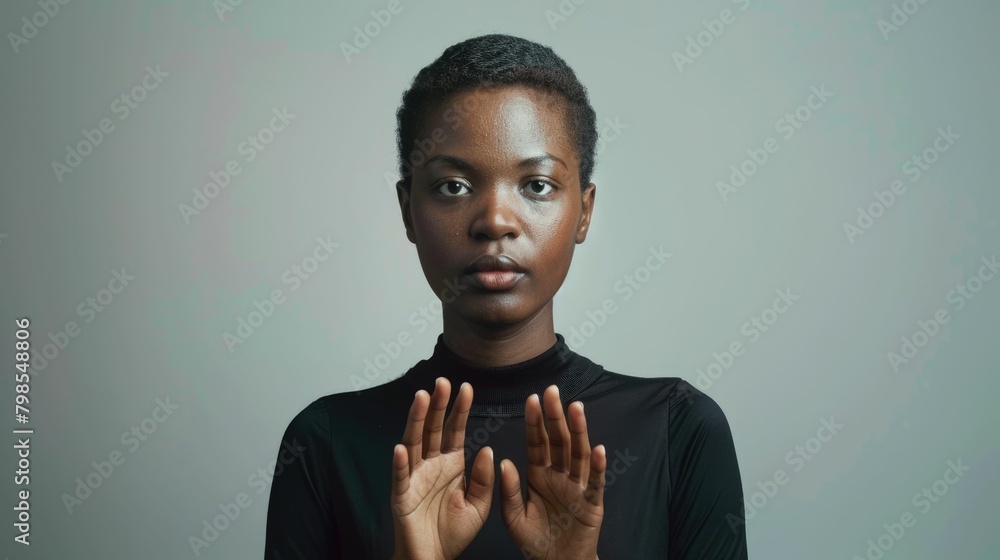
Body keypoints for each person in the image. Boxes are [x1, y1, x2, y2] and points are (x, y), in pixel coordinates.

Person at [264, 33, 748, 559]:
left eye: (536, 185)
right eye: (453, 185)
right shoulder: (326, 442)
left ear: (583, 211)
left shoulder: (678, 431)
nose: (495, 221)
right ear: (408, 211)